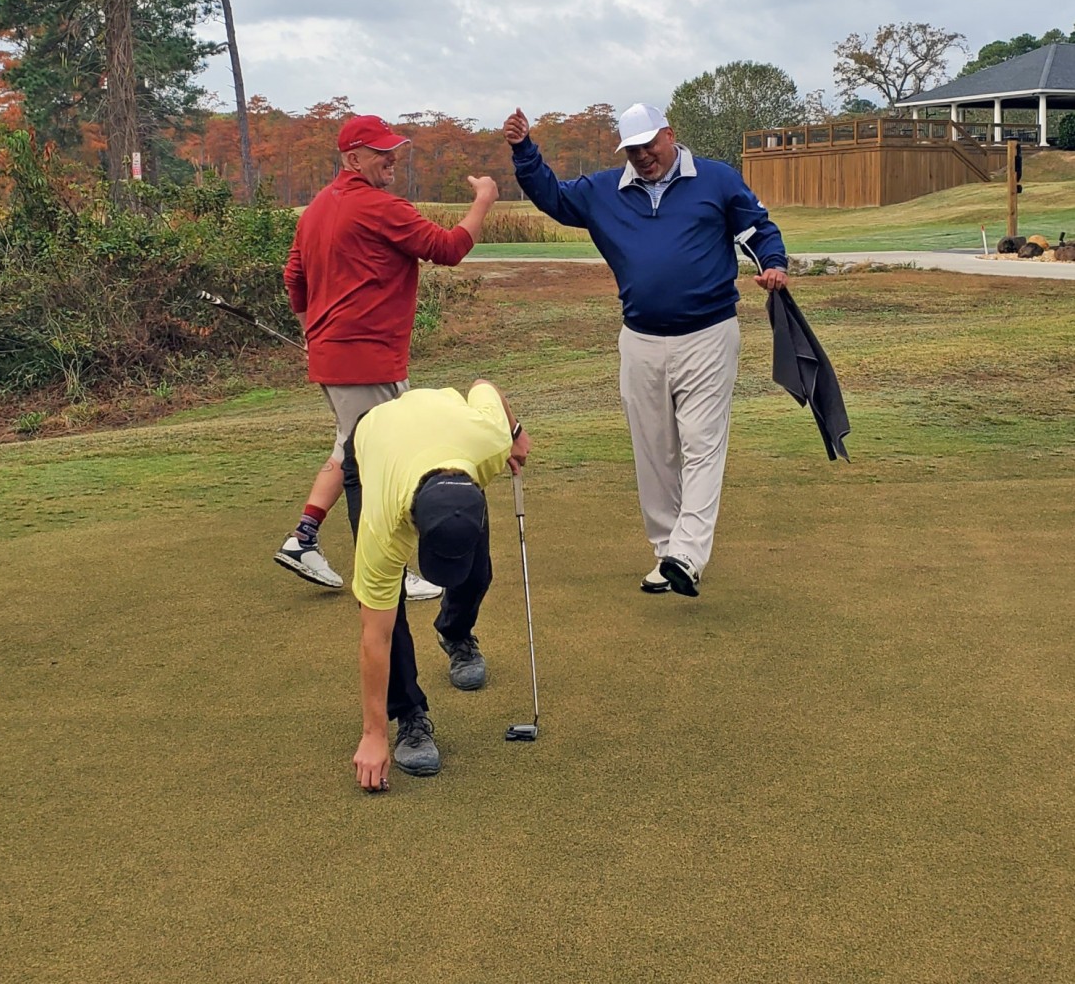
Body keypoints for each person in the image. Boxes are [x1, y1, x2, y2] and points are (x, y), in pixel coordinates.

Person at [502, 102, 788, 599]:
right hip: (640, 339)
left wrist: (774, 263)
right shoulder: (602, 192)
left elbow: (757, 229)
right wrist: (524, 150)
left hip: (709, 334)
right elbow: (550, 196)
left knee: (701, 444)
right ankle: (666, 552)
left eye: (649, 146)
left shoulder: (716, 180)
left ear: (669, 135)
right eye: (632, 150)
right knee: (653, 450)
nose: (643, 157)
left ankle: (688, 554)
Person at [275, 113, 499, 599]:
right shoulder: (380, 207)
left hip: (341, 358)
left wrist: (311, 331)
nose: (392, 157)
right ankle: (388, 572)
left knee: (350, 448)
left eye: (393, 148)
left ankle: (304, 537)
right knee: (378, 459)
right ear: (352, 158)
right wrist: (483, 201)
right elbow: (449, 247)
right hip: (365, 358)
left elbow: (294, 278)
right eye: (380, 152)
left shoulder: (315, 208)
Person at [346, 380, 531, 791]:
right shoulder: (386, 519)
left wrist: (515, 433)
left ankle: (455, 633)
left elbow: (485, 387)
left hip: (451, 442)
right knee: (387, 609)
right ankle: (408, 714)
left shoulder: (490, 442)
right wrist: (372, 734)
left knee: (478, 572)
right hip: (374, 442)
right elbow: (373, 635)